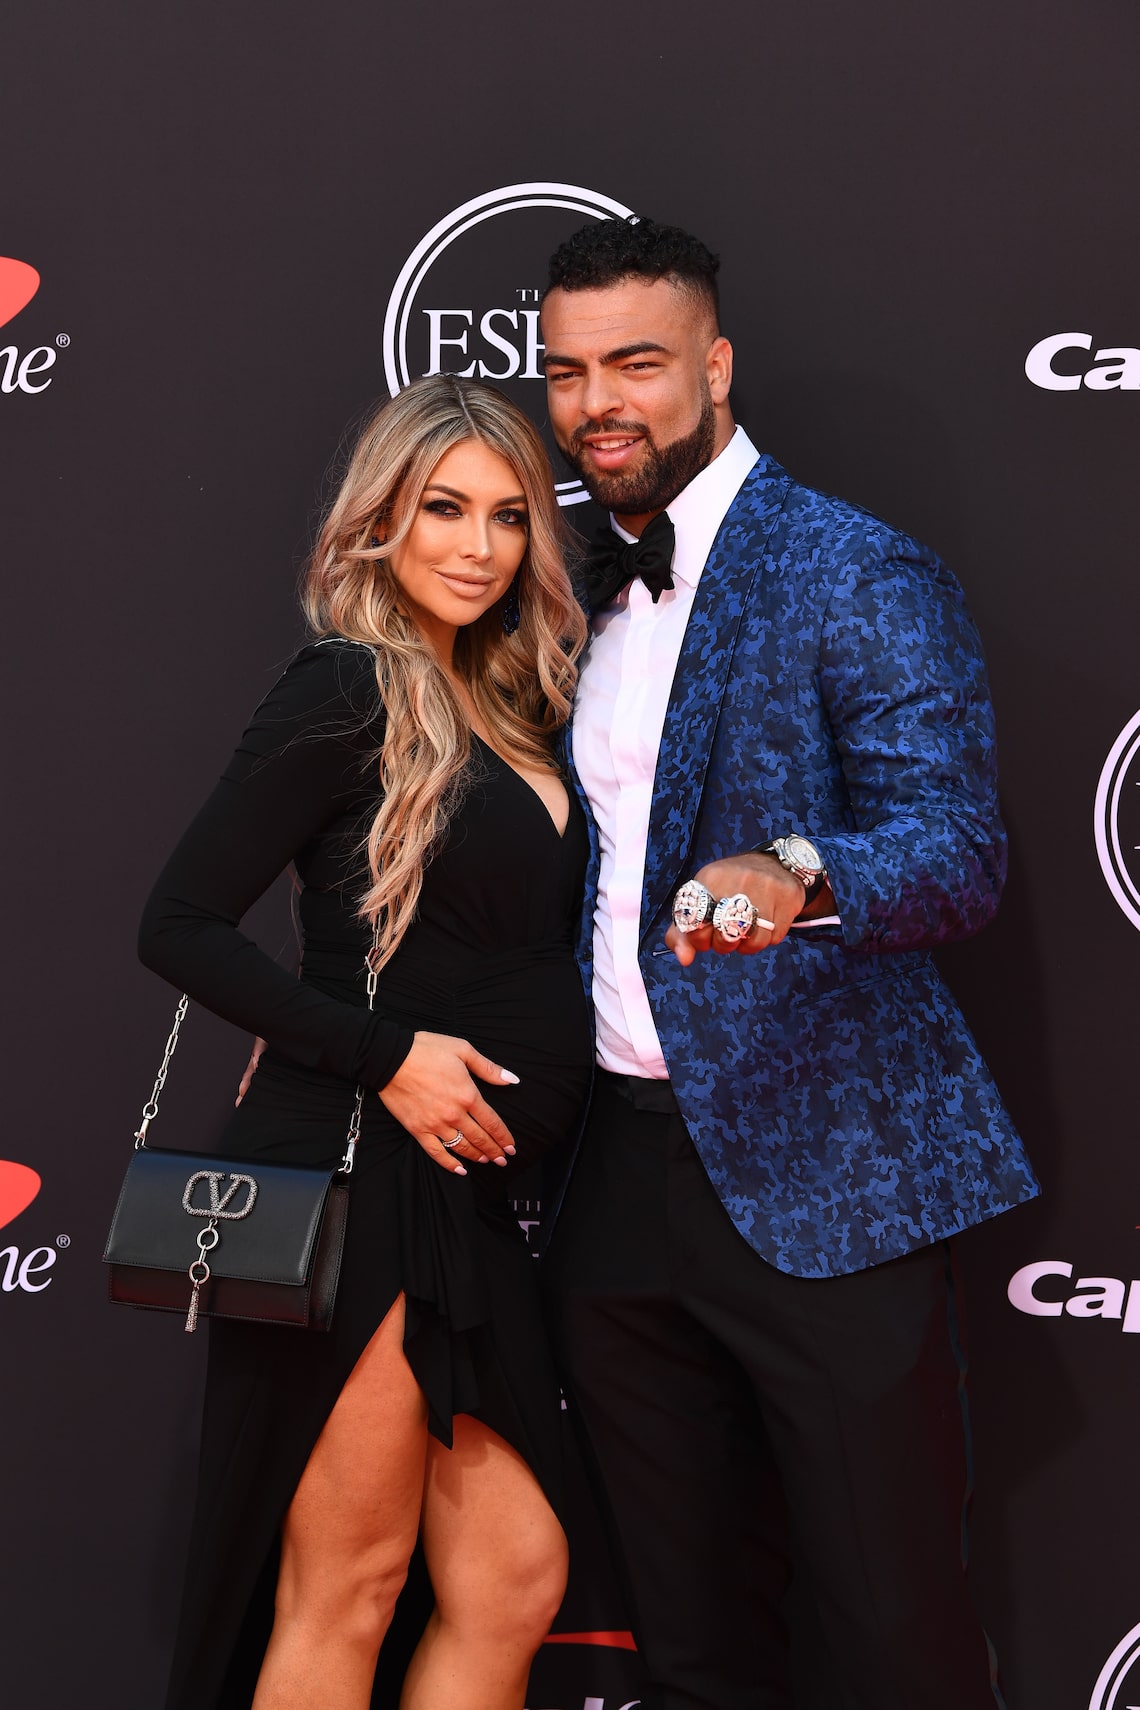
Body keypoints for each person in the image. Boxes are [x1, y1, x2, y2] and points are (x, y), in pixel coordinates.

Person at [537, 216, 1040, 1710]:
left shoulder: (853, 567)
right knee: (688, 1642)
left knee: (892, 1629)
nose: (597, 404)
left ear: (716, 365)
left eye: (636, 362)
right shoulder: (556, 581)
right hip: (610, 1174)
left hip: (831, 1169)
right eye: (566, 372)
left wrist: (798, 871)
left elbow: (957, 847)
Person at [137, 373, 591, 1710]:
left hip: (468, 1193)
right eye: (444, 508)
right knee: (350, 1583)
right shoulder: (346, 687)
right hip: (359, 1175)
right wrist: (383, 1053)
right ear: (380, 519)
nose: (478, 545)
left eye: (509, 515)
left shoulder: (512, 703)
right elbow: (178, 923)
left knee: (510, 1576)